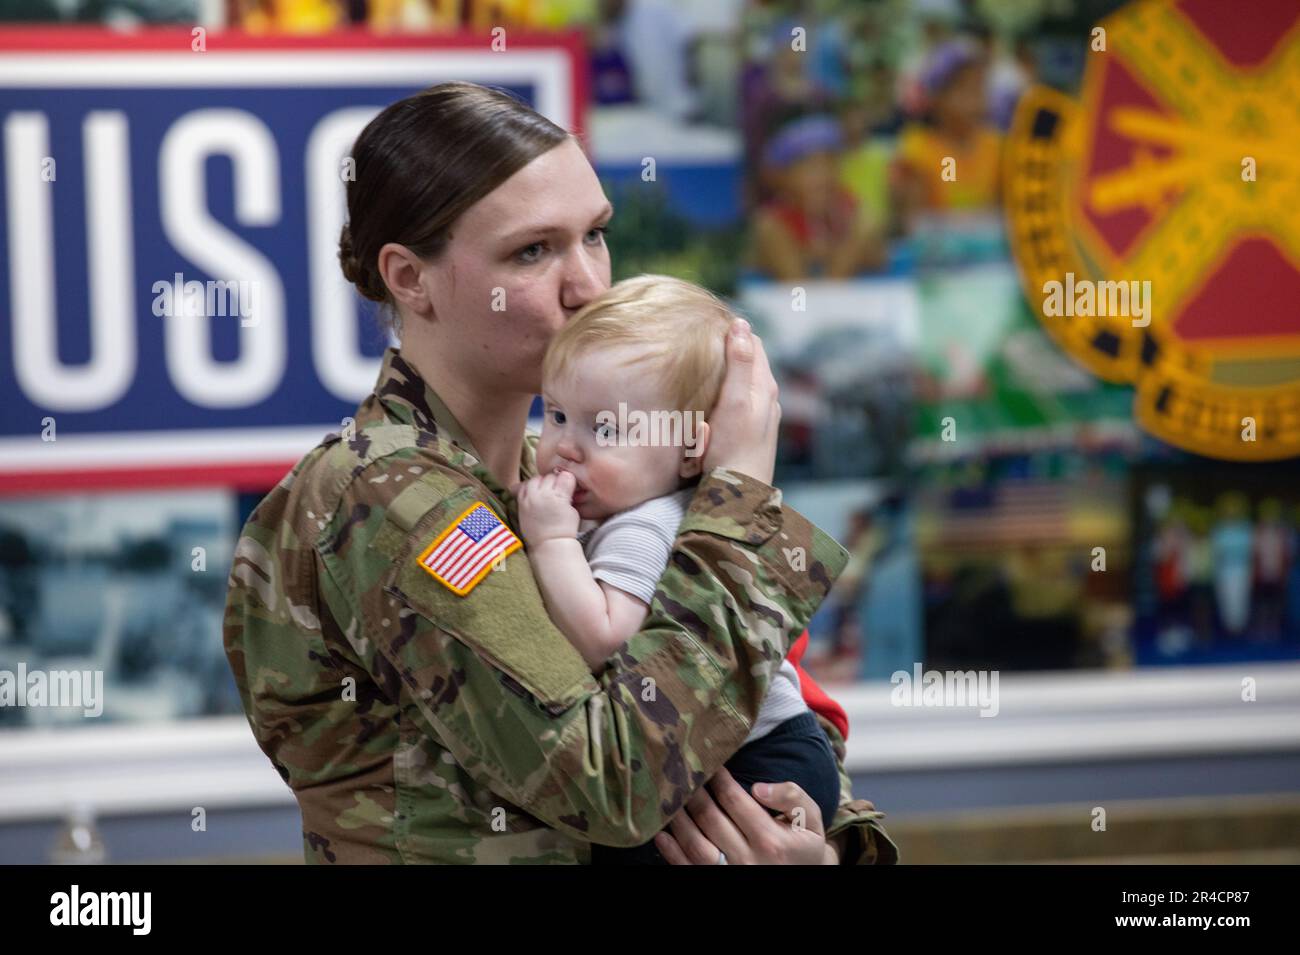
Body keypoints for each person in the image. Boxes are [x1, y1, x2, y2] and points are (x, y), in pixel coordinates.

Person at [223, 82, 896, 865]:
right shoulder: (388, 494)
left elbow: (767, 710)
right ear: (410, 278)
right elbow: (619, 780)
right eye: (533, 251)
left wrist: (822, 848)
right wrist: (737, 497)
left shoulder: (575, 476)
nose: (588, 287)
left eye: (597, 236)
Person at [514, 275, 843, 863]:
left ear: (691, 448)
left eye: (606, 428)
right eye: (557, 414)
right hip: (762, 752)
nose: (565, 445)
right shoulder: (646, 511)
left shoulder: (644, 526)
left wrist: (550, 541)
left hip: (760, 760)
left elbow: (604, 637)